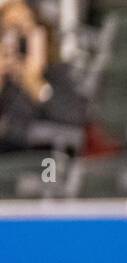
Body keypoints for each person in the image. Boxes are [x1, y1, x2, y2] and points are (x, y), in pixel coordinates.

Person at [0, 0, 88, 152]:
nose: (16, 43)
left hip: (49, 165)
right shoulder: (6, 85)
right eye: (8, 32)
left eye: (22, 31)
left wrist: (36, 83)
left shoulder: (57, 72)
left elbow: (76, 121)